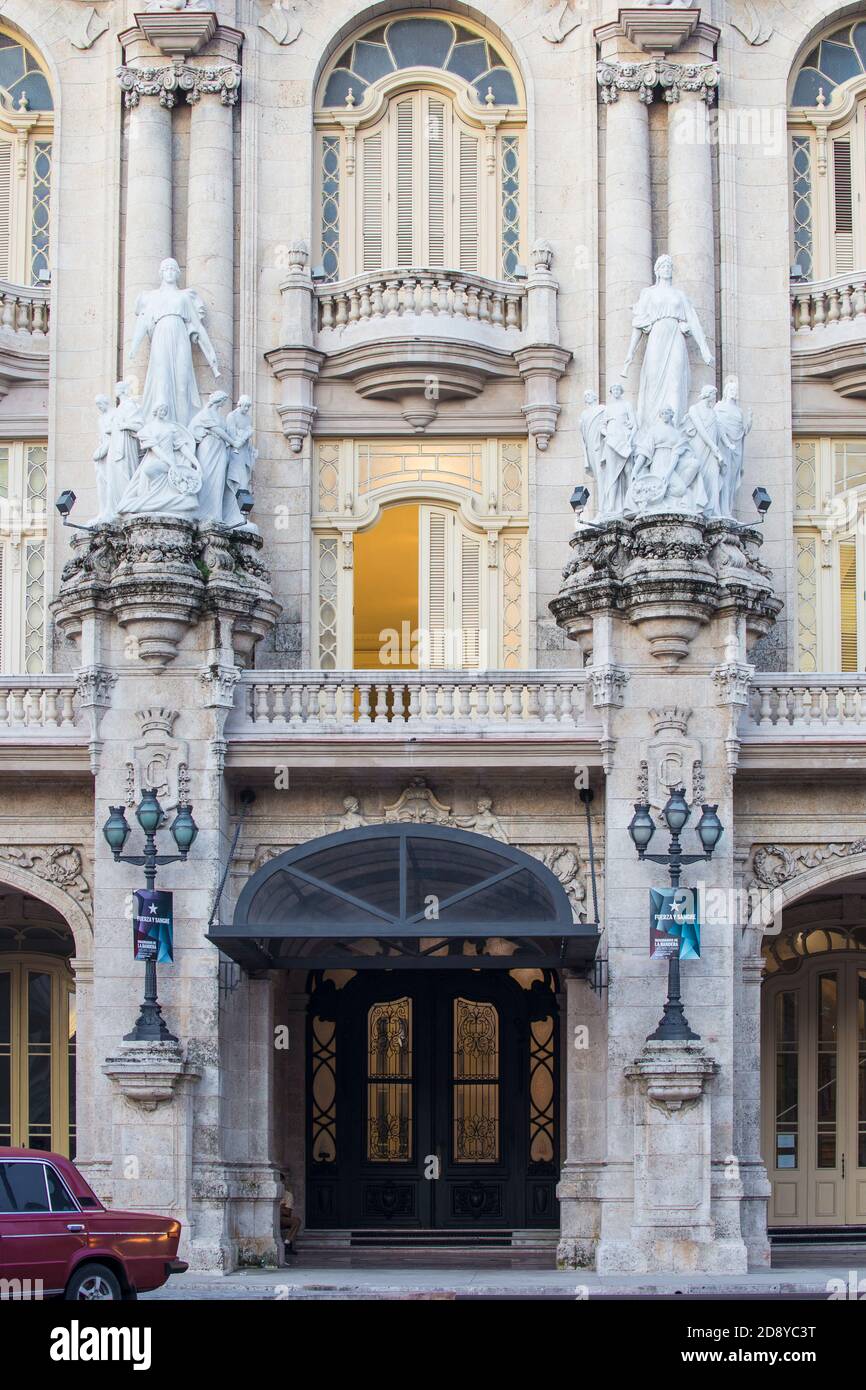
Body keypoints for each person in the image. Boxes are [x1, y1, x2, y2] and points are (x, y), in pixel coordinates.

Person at [622, 253, 714, 431]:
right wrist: (630, 354)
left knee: (676, 379)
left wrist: (705, 350)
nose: (667, 269)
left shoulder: (679, 295)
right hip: (657, 336)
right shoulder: (648, 293)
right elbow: (638, 325)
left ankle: (674, 426)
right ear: (657, 270)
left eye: (669, 266)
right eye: (663, 266)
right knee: (654, 378)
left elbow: (694, 322)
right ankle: (653, 427)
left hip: (675, 338)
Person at [130, 257, 220, 427]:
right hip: (161, 337)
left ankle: (183, 428)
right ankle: (162, 425)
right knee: (161, 379)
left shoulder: (184, 297)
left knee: (182, 383)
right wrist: (133, 347)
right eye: (166, 269)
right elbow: (142, 323)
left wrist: (211, 353)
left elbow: (198, 327)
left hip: (180, 339)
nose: (170, 272)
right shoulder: (153, 297)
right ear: (161, 273)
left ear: (178, 273)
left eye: (173, 269)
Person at [116, 403, 201, 516]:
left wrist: (196, 463)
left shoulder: (171, 427)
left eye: (165, 410)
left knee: (187, 497)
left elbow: (182, 446)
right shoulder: (147, 429)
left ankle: (156, 502)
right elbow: (155, 449)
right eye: (161, 409)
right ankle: (152, 500)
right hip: (158, 460)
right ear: (155, 411)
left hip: (170, 461)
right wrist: (171, 464)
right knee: (147, 472)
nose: (163, 412)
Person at [715, 376, 752, 518]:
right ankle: (722, 509)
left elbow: (744, 431)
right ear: (726, 391)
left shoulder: (739, 411)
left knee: (732, 478)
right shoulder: (719, 407)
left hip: (736, 447)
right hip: (724, 445)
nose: (732, 392)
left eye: (734, 390)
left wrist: (750, 420)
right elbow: (716, 427)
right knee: (724, 475)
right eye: (730, 389)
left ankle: (728, 509)